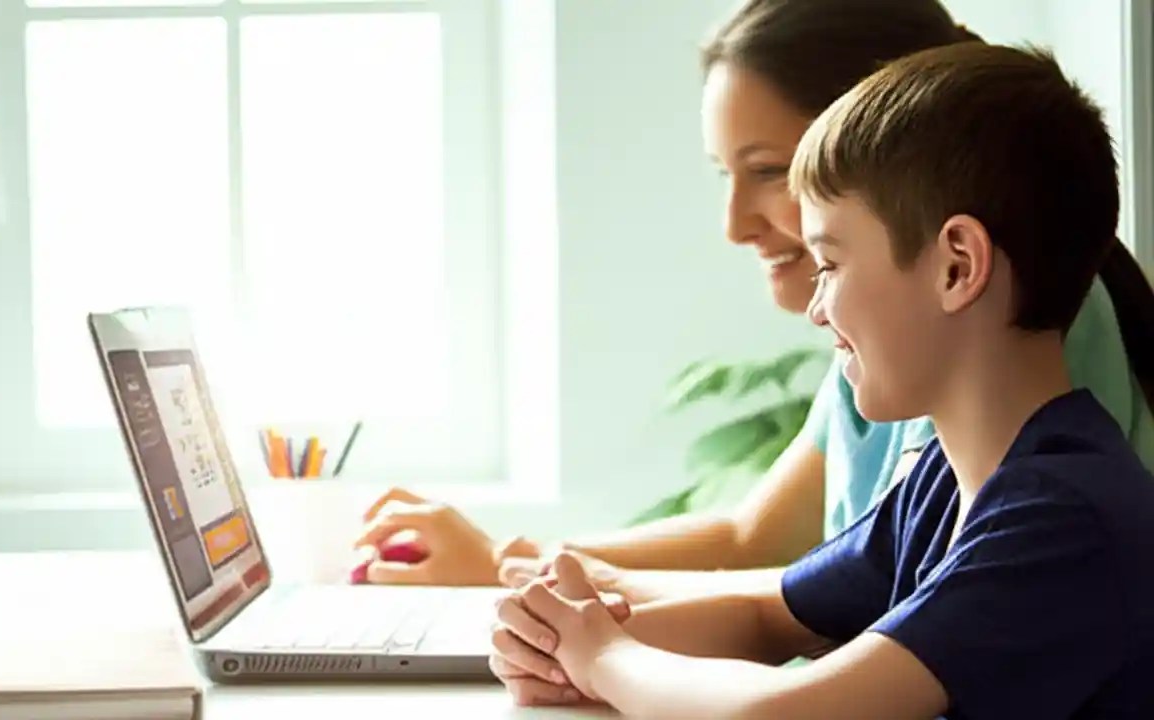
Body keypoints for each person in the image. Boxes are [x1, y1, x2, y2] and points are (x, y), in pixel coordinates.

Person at [352, 0, 1154, 600]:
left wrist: (510, 573)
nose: (736, 224)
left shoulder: (1005, 340)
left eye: (770, 171)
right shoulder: (893, 354)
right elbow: (757, 539)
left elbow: (893, 628)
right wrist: (519, 566)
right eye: (723, 173)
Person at [491, 42, 1154, 717]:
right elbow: (766, 617)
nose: (814, 308)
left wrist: (604, 658)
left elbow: (781, 711)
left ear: (957, 267)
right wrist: (563, 642)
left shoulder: (1062, 518)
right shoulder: (945, 486)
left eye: (830, 264)